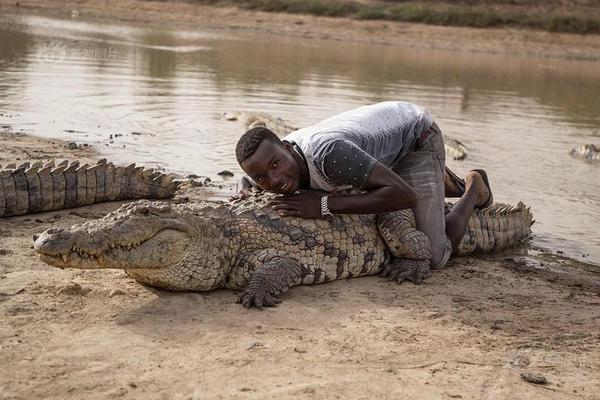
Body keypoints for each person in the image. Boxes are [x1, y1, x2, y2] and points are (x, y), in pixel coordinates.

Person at [234, 101, 492, 270]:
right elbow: (251, 178)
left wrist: (323, 205)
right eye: (261, 178)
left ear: (288, 149)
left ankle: (473, 186)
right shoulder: (271, 160)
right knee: (362, 176)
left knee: (436, 256)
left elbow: (405, 197)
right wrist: (244, 188)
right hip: (365, 154)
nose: (274, 180)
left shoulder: (329, 156)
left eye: (276, 165)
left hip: (416, 137)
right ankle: (437, 178)